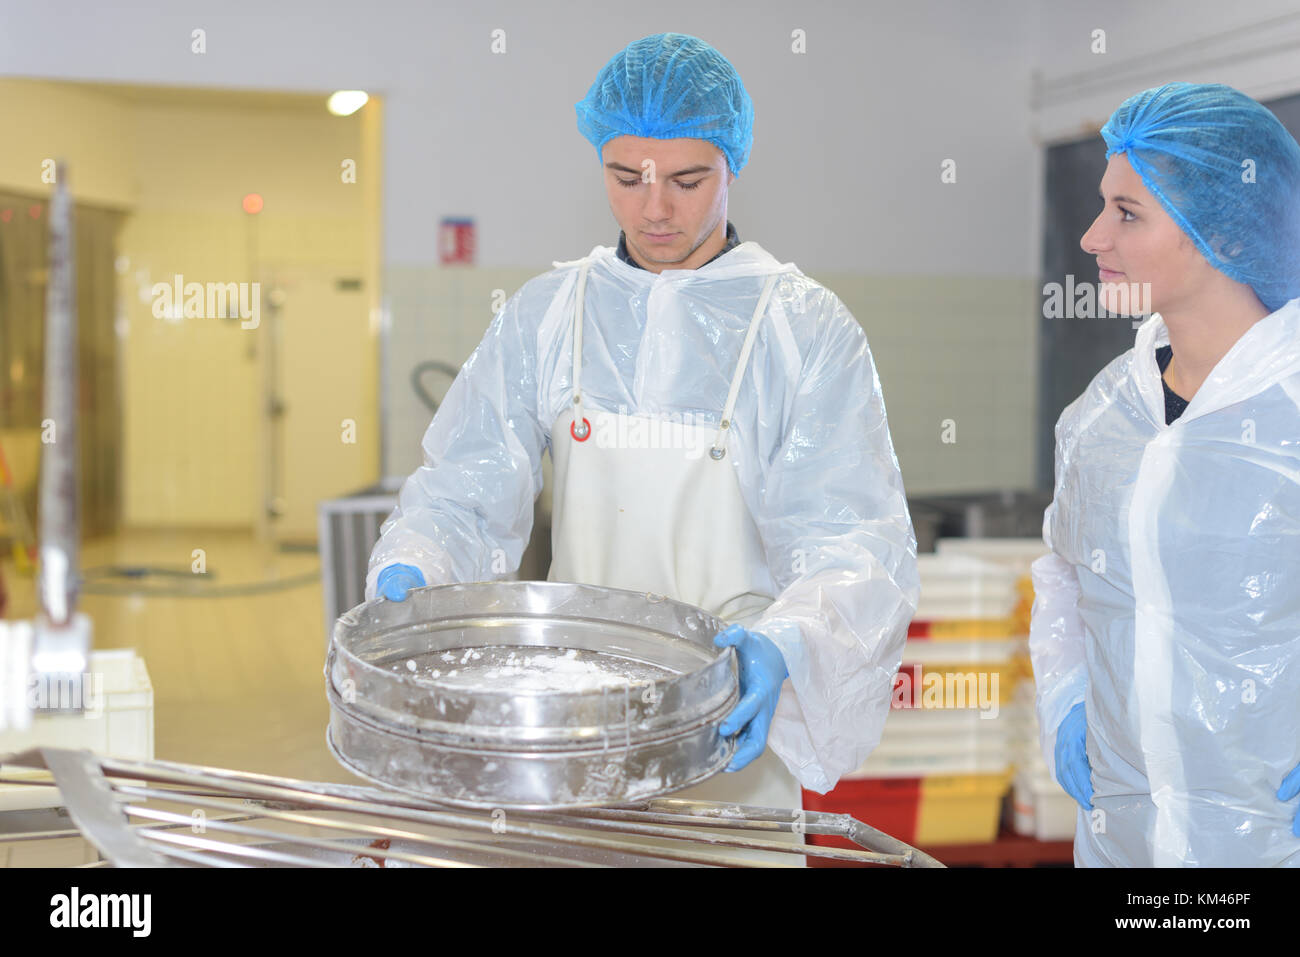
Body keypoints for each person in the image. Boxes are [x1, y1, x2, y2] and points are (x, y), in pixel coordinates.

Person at [365, 32, 918, 844]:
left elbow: (855, 543)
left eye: (688, 180)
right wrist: (420, 556)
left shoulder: (801, 330)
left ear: (733, 162)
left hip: (730, 728)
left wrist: (784, 642)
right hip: (573, 732)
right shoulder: (551, 314)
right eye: (627, 177)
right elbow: (466, 487)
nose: (654, 208)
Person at [1029, 81, 1300, 866]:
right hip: (1124, 844)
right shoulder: (1102, 417)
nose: (1090, 238)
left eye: (1127, 213)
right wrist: (1066, 696)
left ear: (1228, 233)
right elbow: (1064, 575)